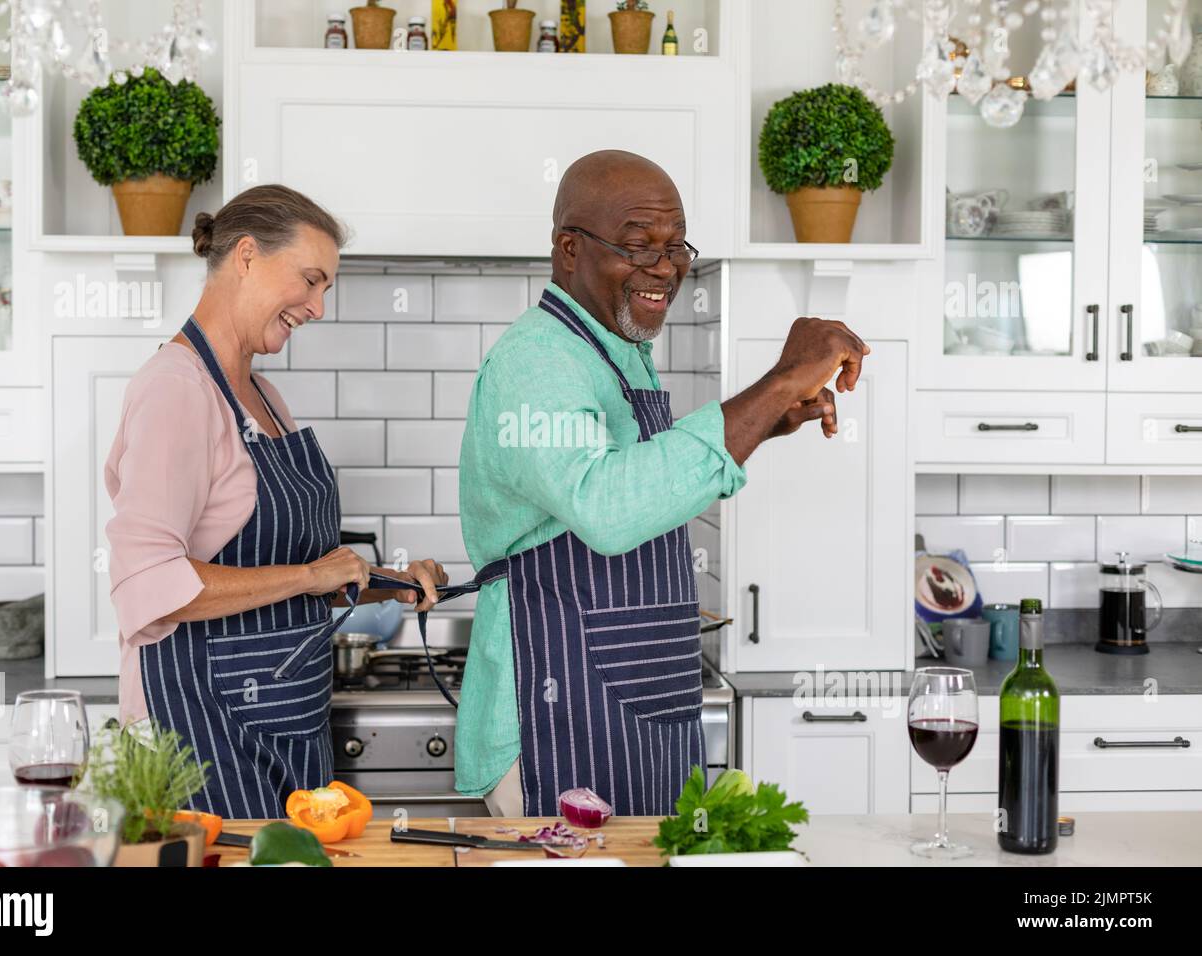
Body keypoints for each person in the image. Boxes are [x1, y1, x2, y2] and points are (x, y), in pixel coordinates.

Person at [456, 150, 869, 816]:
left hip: (640, 700)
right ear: (569, 248)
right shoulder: (538, 358)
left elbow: (647, 485)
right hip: (560, 707)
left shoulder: (617, 354)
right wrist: (778, 382)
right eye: (638, 247)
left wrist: (765, 420)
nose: (666, 268)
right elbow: (607, 507)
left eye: (675, 246)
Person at [104, 184, 448, 818]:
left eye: (326, 290)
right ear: (246, 256)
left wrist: (386, 583)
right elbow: (148, 582)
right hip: (201, 732)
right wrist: (313, 573)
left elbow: (305, 576)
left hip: (283, 723)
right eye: (311, 280)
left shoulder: (260, 397)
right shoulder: (176, 390)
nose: (317, 307)